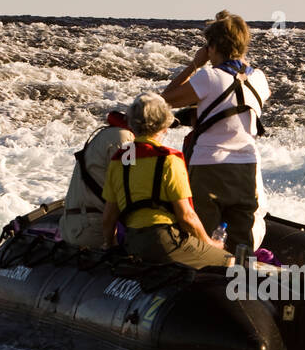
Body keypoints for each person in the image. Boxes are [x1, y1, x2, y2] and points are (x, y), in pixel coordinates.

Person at [162, 11, 269, 252]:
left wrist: (194, 64)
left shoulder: (208, 77)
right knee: (242, 244)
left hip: (208, 167)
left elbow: (165, 99)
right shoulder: (260, 79)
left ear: (212, 47)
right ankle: (241, 284)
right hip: (246, 168)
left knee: (205, 243)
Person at [100, 95, 229, 268]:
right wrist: (210, 243)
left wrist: (110, 245)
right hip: (163, 241)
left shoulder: (119, 162)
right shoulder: (169, 160)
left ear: (132, 124)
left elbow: (109, 218)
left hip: (132, 242)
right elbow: (187, 217)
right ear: (164, 126)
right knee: (229, 260)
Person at [59, 105, 135, 248]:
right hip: (91, 228)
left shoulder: (109, 134)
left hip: (73, 225)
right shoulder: (126, 139)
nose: (165, 131)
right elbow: (127, 189)